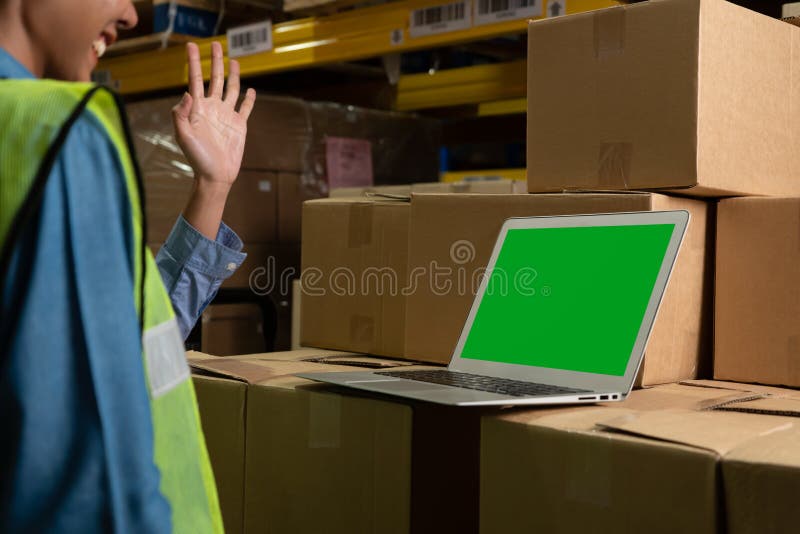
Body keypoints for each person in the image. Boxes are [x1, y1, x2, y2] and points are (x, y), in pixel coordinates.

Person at [0, 0, 257, 531]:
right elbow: (92, 473)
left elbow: (130, 341)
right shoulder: (53, 130)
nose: (130, 15)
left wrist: (211, 188)